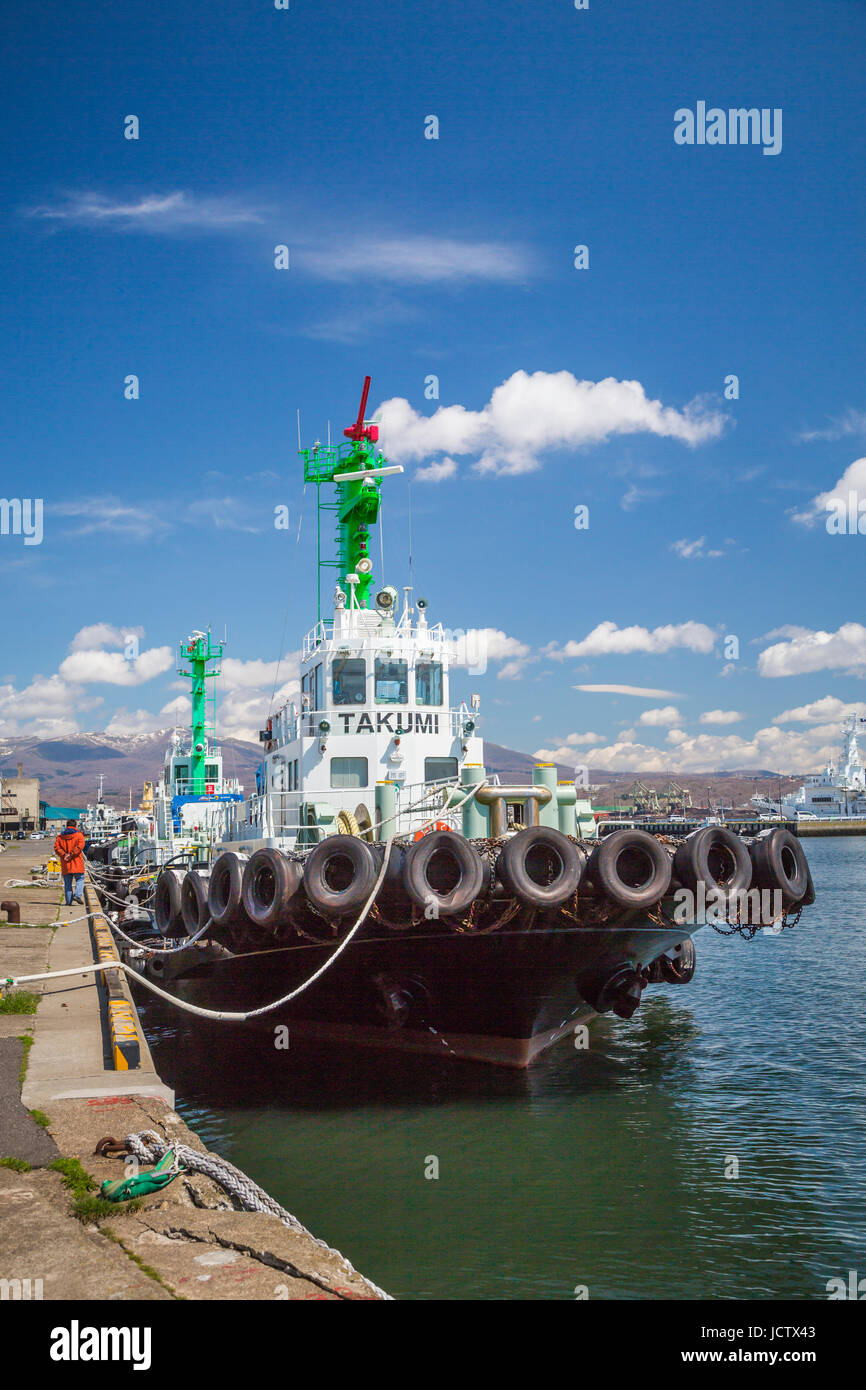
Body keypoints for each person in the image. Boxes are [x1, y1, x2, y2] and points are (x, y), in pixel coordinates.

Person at [54, 818, 85, 906]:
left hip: (65, 863)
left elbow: (57, 848)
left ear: (67, 826)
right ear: (75, 826)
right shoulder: (79, 835)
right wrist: (71, 854)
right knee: (80, 879)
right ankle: (78, 896)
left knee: (67, 884)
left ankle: (68, 902)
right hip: (77, 863)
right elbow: (80, 846)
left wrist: (64, 855)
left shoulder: (60, 837)